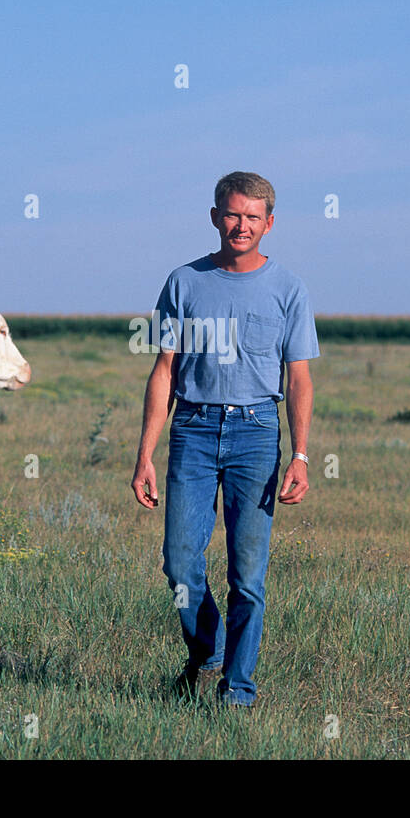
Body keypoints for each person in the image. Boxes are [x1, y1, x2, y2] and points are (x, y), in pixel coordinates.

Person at [131, 171, 319, 707]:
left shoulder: (289, 289)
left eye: (253, 217)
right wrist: (145, 453)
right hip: (191, 429)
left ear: (270, 224)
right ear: (215, 216)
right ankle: (208, 648)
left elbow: (299, 377)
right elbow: (163, 369)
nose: (242, 226)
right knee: (180, 561)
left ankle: (237, 691)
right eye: (233, 214)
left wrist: (301, 455)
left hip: (257, 433)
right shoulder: (183, 283)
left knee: (248, 574)